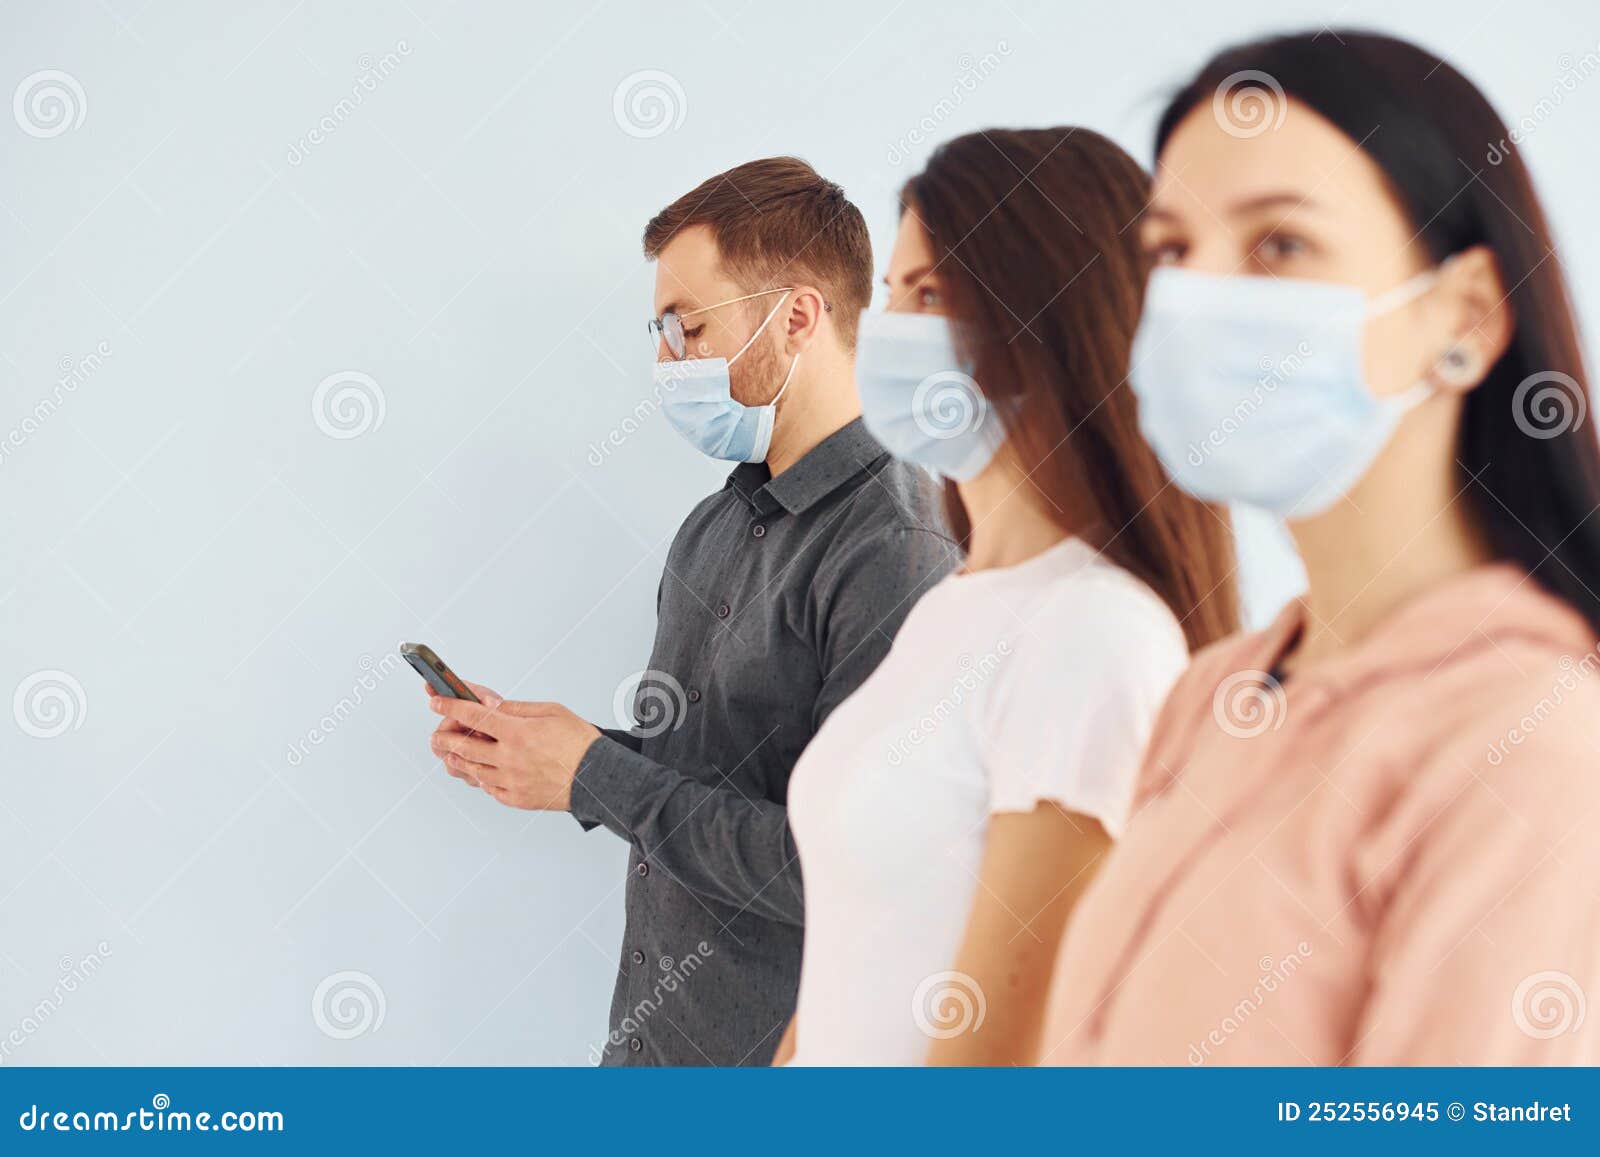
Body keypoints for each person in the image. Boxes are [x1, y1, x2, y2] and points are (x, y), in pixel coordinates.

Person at [1039, 31, 1600, 1065]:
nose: (1201, 297)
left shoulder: (1534, 746)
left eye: (1279, 245)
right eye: (1170, 250)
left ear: (1465, 315)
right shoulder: (1212, 695)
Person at [426, 158, 956, 1065]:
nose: (667, 361)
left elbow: (848, 867)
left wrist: (595, 775)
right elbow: (708, 779)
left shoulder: (898, 550)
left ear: (797, 317)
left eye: (687, 327)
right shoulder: (713, 525)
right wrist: (552, 752)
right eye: (661, 332)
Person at [774, 128, 1239, 1066]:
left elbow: (994, 1065)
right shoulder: (954, 605)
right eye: (894, 294)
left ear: (1047, 319)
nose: (892, 329)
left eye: (933, 294)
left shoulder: (1092, 631)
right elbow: (844, 976)